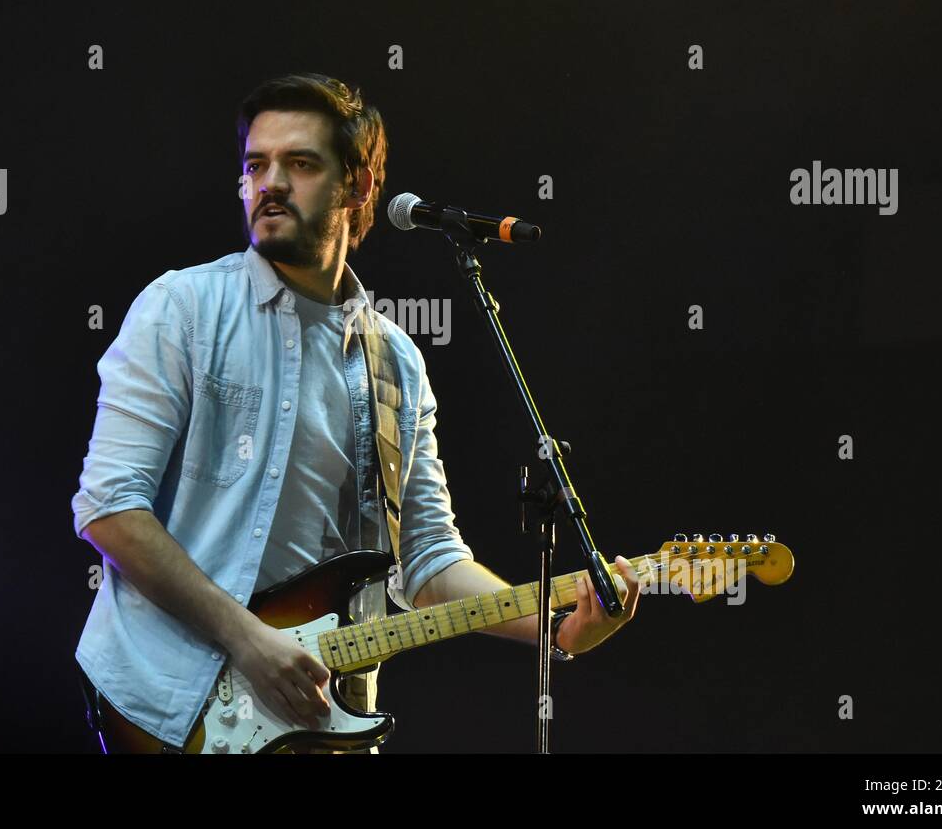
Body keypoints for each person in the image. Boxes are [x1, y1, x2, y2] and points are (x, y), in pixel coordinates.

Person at [71, 72, 642, 753]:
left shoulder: (395, 363)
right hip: (167, 706)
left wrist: (552, 630)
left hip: (317, 716)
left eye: (301, 163)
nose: (269, 183)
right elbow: (109, 508)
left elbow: (428, 559)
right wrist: (248, 639)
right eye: (256, 165)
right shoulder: (182, 310)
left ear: (361, 185)